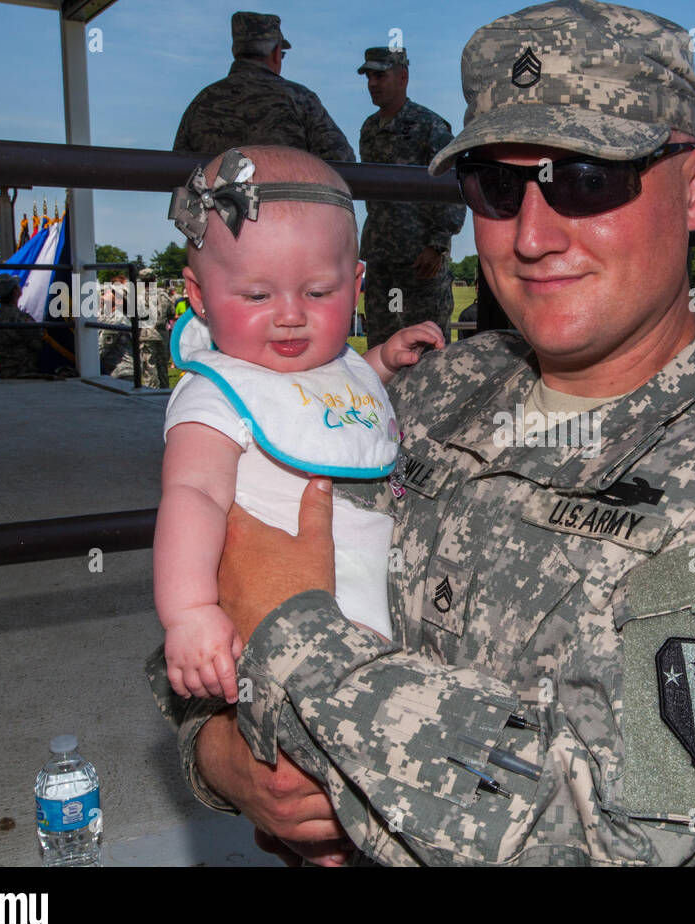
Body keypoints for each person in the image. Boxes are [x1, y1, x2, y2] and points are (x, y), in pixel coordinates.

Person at [146, 0, 695, 868]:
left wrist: (299, 643)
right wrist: (222, 760)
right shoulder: (431, 394)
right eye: (499, 187)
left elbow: (626, 836)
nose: (533, 236)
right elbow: (198, 606)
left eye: (585, 177)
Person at [155, 145, 444, 704]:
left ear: (356, 285)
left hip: (386, 603)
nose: (290, 313)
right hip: (289, 624)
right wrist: (189, 612)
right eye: (257, 294)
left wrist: (380, 362)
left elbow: (331, 403)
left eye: (318, 292)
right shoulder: (217, 395)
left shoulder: (338, 363)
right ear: (199, 296)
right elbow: (192, 494)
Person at [358, 47, 467, 348]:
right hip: (382, 262)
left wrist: (437, 244)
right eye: (368, 76)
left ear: (403, 77)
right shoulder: (368, 130)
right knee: (381, 345)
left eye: (380, 75)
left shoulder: (430, 126)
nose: (372, 83)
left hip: (420, 262)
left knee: (427, 346)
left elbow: (453, 185)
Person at [173, 12, 355, 165]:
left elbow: (177, 169)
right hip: (289, 207)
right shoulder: (300, 99)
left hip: (216, 207)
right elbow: (344, 163)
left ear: (236, 51)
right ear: (276, 53)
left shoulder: (202, 102)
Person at [0, 273, 46, 378]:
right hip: (23, 374)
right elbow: (39, 343)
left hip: (1, 374)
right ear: (15, 291)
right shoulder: (20, 317)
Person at [136, 267, 172, 388]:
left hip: (146, 335)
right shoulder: (163, 294)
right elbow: (171, 313)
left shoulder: (138, 297)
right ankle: (164, 394)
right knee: (163, 369)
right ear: (154, 279)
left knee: (149, 369)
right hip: (161, 335)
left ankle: (151, 394)